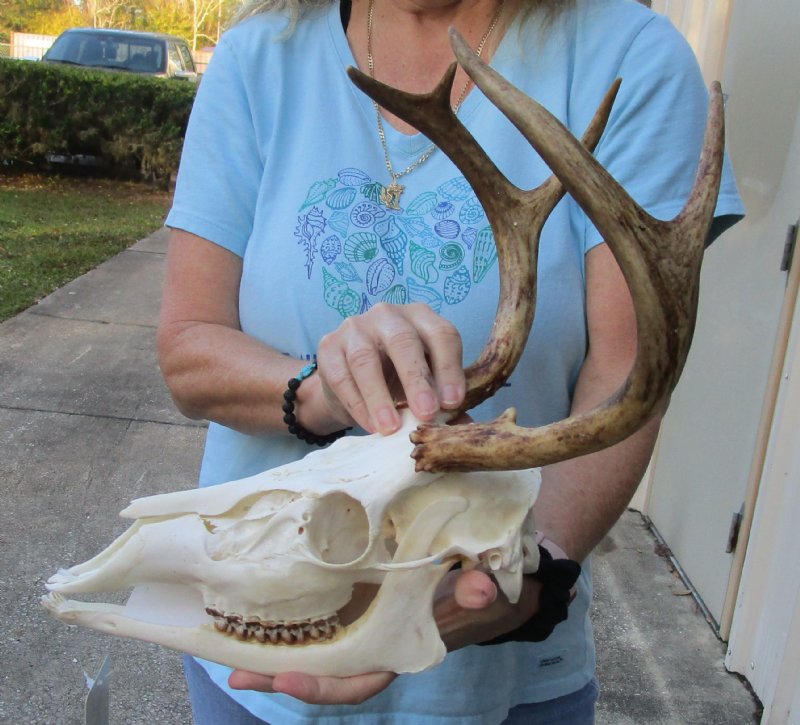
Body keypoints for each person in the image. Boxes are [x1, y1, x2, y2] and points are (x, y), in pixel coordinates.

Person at [158, 0, 744, 721]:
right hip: (257, 641)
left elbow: (628, 371)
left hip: (503, 682)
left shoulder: (628, 58)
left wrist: (527, 570)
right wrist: (319, 391)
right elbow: (189, 347)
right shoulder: (259, 57)